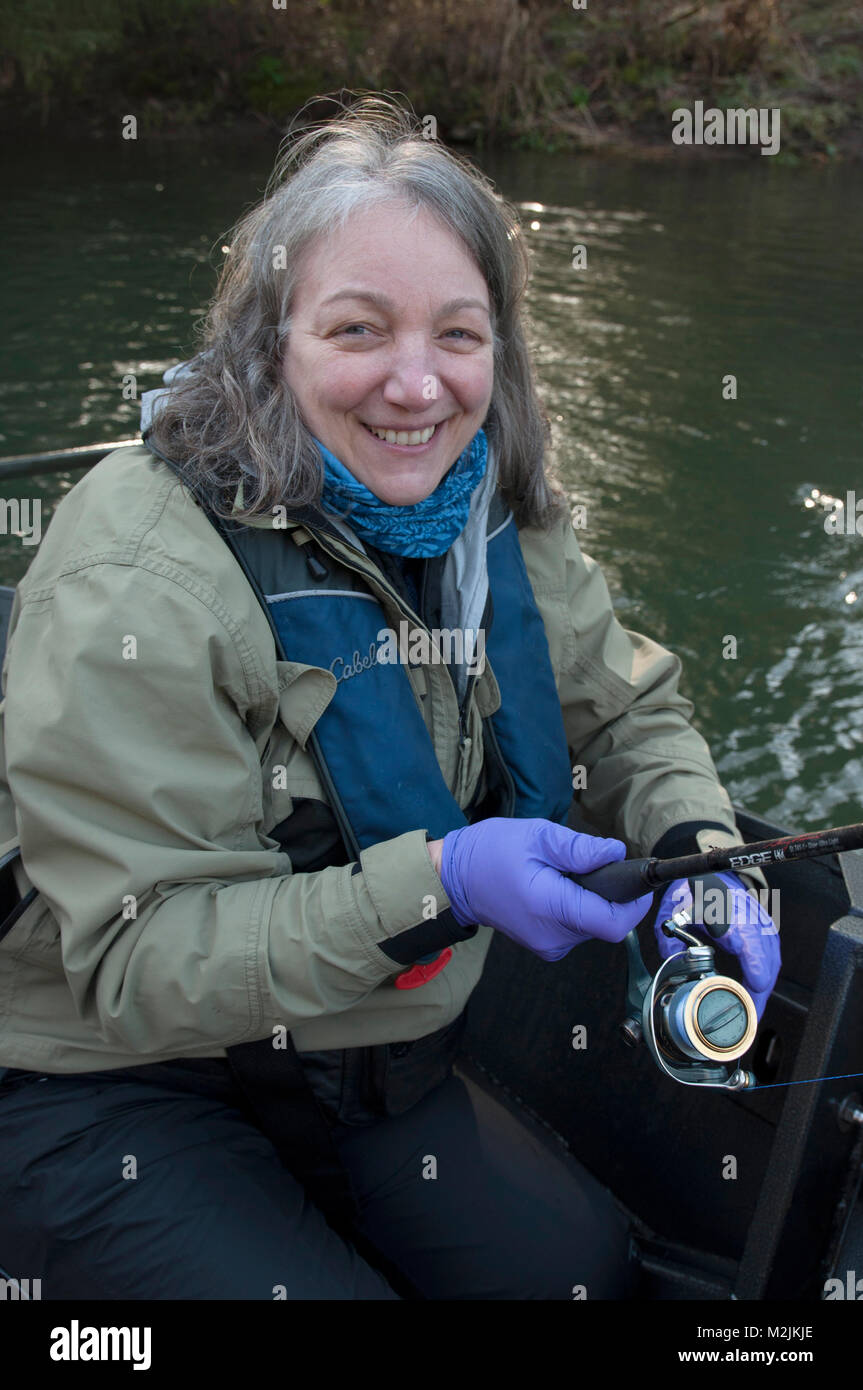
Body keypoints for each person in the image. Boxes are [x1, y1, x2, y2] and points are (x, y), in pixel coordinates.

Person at [0, 96, 779, 1301]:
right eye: (358, 329)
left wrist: (698, 853)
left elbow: (624, 709)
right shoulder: (135, 576)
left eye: (458, 336)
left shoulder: (487, 503)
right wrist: (445, 885)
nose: (416, 387)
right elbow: (137, 962)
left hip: (358, 1059)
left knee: (576, 1276)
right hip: (107, 1080)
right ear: (268, 345)